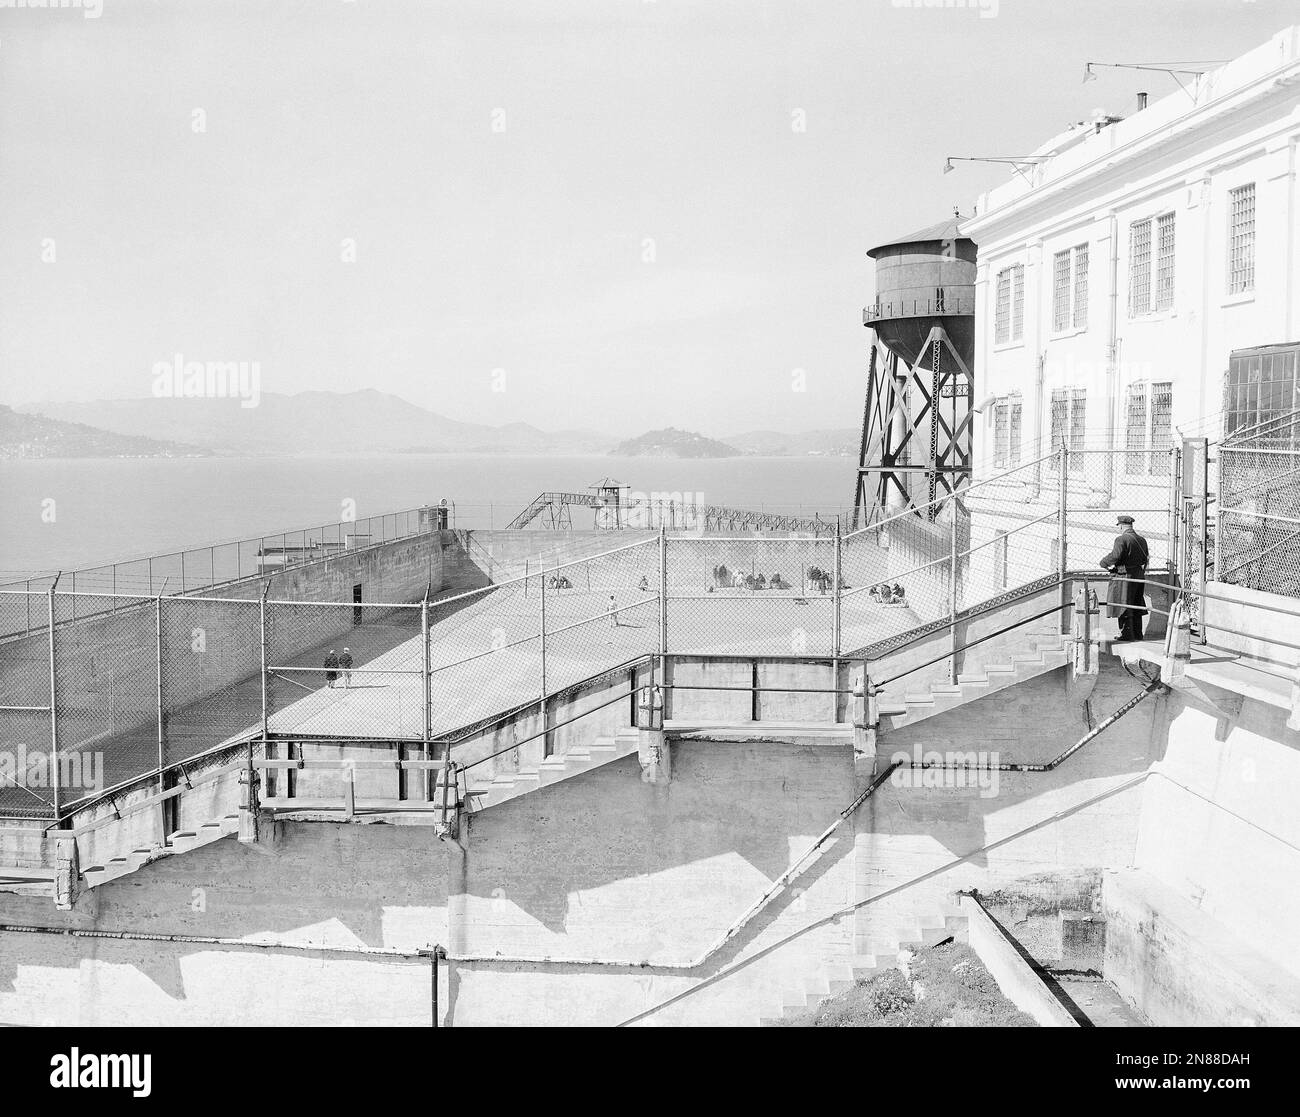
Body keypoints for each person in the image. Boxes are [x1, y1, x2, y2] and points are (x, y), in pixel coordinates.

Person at [1100, 514, 1150, 641]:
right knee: (1136, 604)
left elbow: (1115, 556)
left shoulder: (1121, 539)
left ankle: (1127, 634)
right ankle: (1138, 634)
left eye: (1119, 526)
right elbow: (1145, 559)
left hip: (1125, 576)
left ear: (1121, 526)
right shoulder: (1142, 540)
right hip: (1138, 576)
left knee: (1123, 604)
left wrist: (1104, 563)